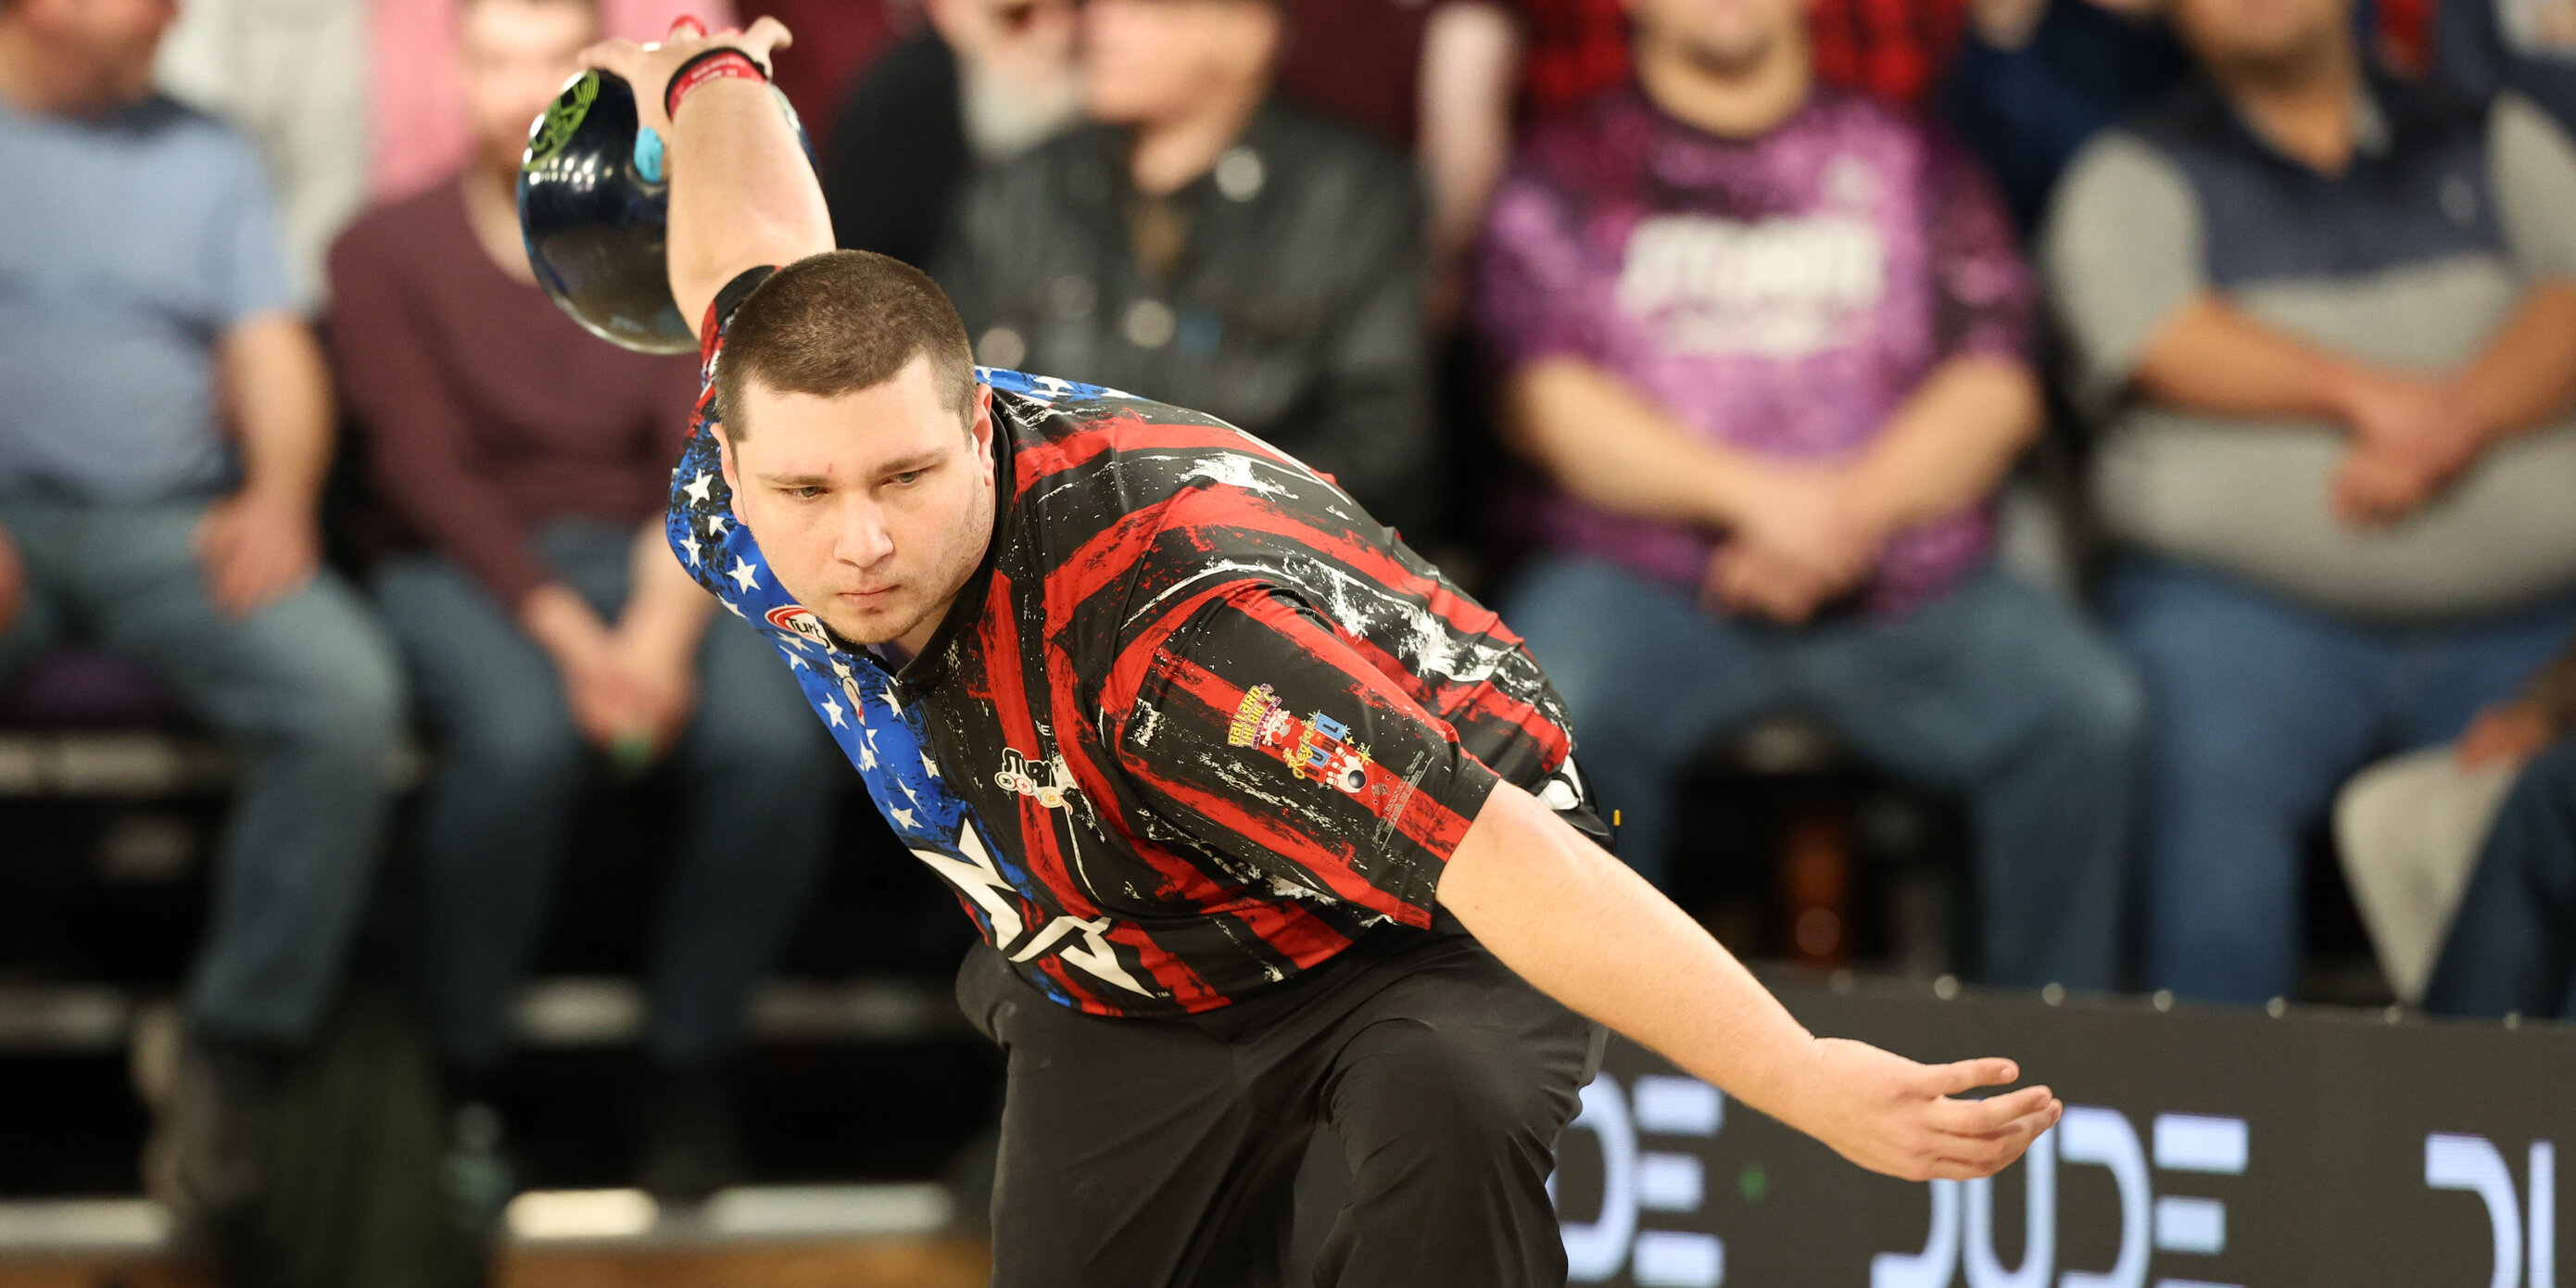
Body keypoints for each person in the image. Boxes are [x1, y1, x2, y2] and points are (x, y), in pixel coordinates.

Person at [573, 19, 2063, 1286]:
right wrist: (713, 75)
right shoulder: (744, 468)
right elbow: (756, 264)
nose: (860, 543)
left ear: (977, 432)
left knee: (1451, 1096)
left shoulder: (1179, 646)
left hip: (1416, 923)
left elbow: (1503, 863)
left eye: (904, 482)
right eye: (808, 495)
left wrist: (1795, 1073)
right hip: (1142, 955)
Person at [1479, 0, 2143, 991]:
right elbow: (1543, 403)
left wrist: (1846, 512)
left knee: (2087, 714)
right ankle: (1593, 1093)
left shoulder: (1910, 155)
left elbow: (1996, 384)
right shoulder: (1562, 171)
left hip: (1905, 582)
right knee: (1535, 723)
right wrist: (1763, 502)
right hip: (1640, 581)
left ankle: (2041, 1088)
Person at [328, 0, 836, 1199]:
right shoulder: (381, 248)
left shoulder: (662, 231)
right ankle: (466, 1074)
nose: (516, 92)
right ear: (453, 76)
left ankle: (687, 1067)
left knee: (774, 743)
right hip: (467, 564)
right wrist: (574, 642)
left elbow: (699, 436)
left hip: (661, 547)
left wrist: (654, 642)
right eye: (493, 62)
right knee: (515, 743)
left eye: (542, 65)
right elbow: (426, 472)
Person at [2044, 0, 2576, 1004]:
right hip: (2245, 617)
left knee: (2542, 812)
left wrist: (2450, 420)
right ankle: (2201, 1117)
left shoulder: (2485, 133)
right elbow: (2152, 332)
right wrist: (2365, 394)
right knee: (2201, 785)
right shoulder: (2136, 169)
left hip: (2530, 625)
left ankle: (2500, 1133)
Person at [0, 0, 405, 1232]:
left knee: (346, 696)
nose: (172, 9)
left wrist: (279, 490)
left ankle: (234, 1045)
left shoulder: (206, 152)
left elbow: (270, 347)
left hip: (165, 523)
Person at [934, 0, 1443, 537]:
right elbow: (948, 403)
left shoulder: (1350, 196)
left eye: (1149, 11)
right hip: (1042, 565)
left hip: (1268, 575)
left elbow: (1386, 440)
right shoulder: (1019, 192)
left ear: (1248, 34)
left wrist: (1186, 519)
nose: (1104, 28)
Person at [822, 0, 1080, 268]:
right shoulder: (894, 110)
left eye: (1077, 6)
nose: (1056, 34)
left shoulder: (1101, 98)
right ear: (951, 14)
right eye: (1018, 16)